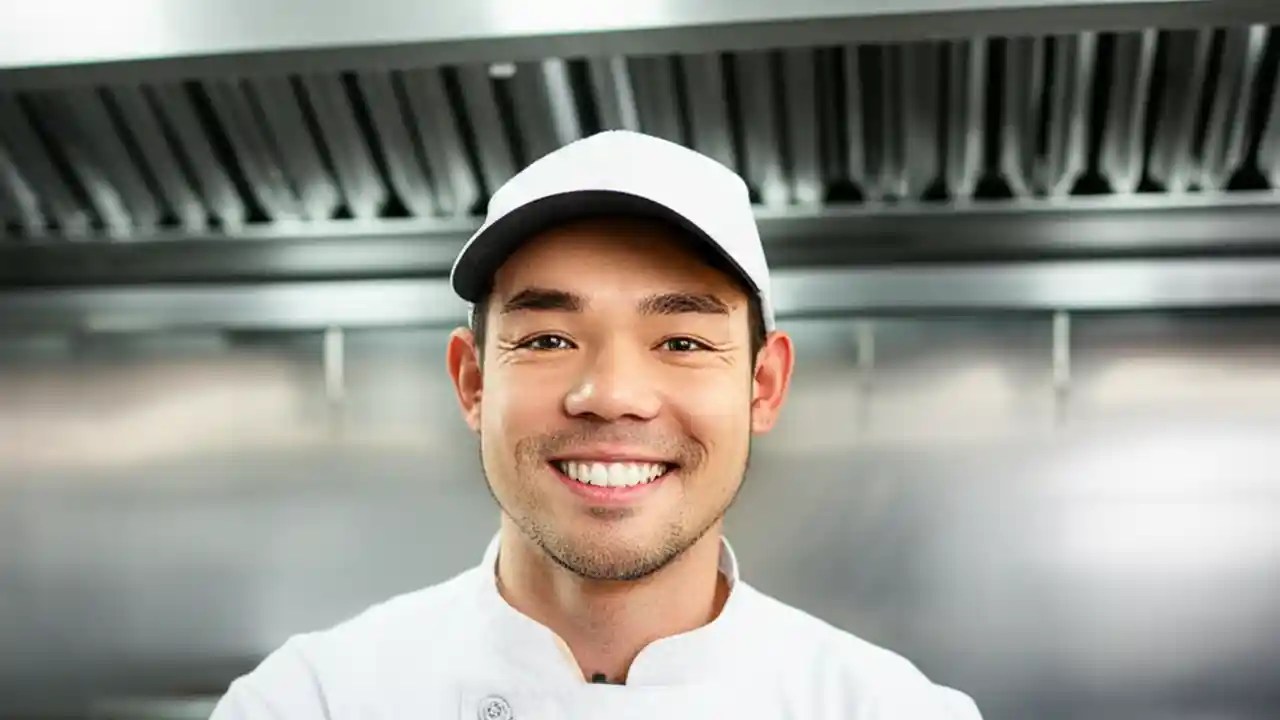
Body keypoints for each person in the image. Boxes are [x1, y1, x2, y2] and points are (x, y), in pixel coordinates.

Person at [209, 130, 981, 719]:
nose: (610, 394)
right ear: (473, 382)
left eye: (681, 342)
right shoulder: (311, 703)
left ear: (764, 386)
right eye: (548, 339)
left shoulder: (888, 710)